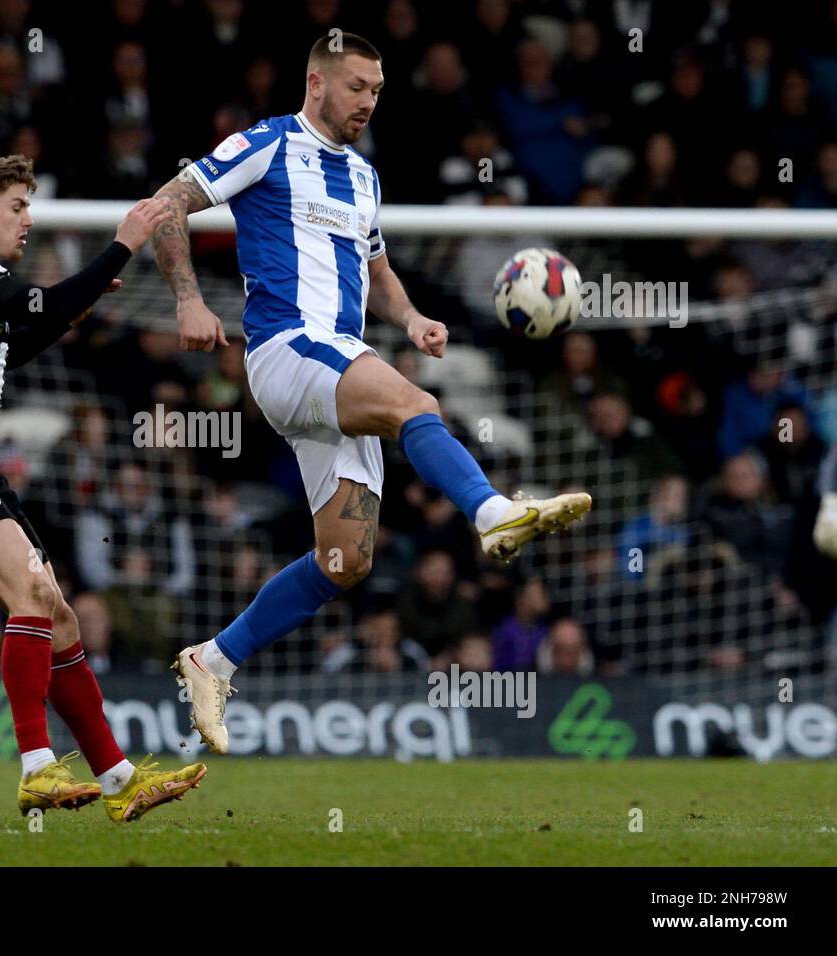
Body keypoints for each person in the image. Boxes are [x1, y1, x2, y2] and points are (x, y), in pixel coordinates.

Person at [149, 32, 592, 754]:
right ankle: (492, 512)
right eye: (357, 87)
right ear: (317, 84)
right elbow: (167, 203)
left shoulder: (363, 177)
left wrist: (412, 318)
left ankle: (213, 660)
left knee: (345, 562)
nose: (368, 102)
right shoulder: (267, 143)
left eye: (378, 91)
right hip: (290, 348)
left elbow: (377, 270)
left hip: (341, 360)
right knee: (418, 406)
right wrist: (189, 302)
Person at [0, 151, 205, 821]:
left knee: (57, 614)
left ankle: (117, 780)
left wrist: (72, 309)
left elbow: (12, 343)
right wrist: (122, 246)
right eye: (18, 206)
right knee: (31, 594)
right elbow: (36, 304)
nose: (28, 220)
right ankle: (35, 768)